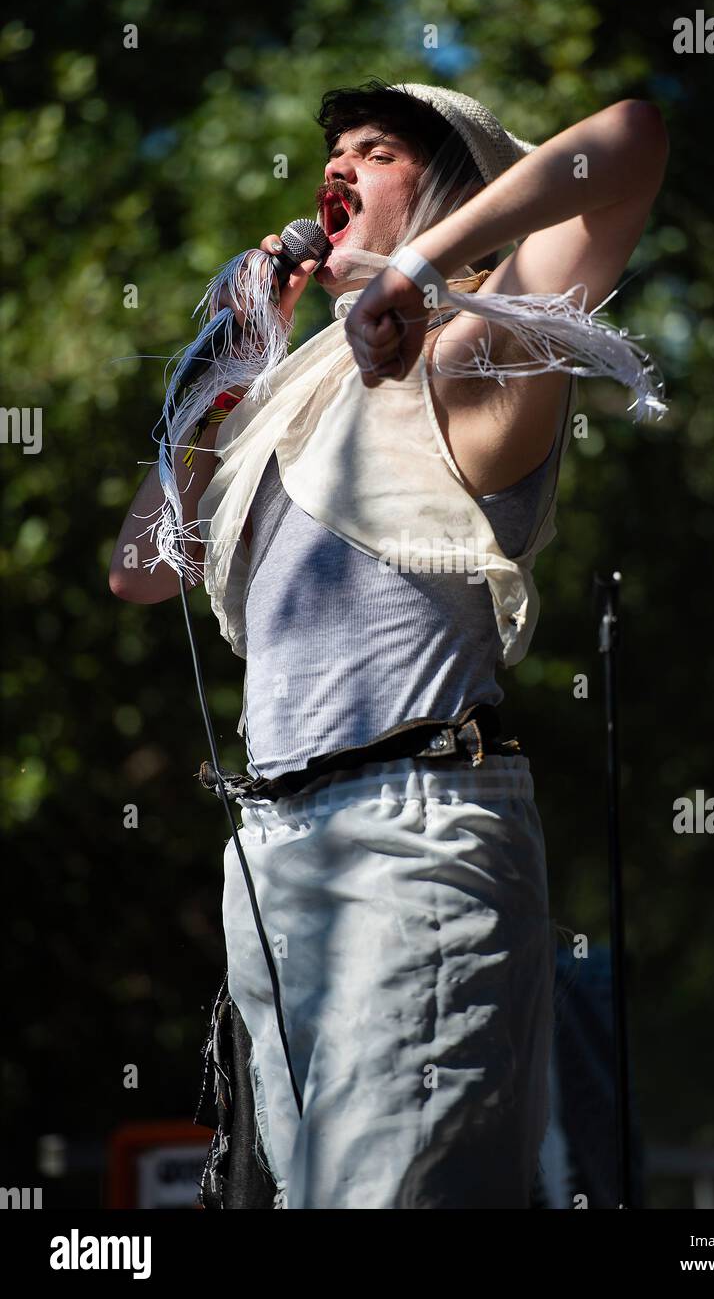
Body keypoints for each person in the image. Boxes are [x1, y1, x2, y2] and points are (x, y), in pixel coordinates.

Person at [109, 79, 668, 1209]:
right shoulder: (287, 396)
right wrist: (223, 369)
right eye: (336, 152)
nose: (343, 168)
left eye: (382, 151)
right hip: (277, 866)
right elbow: (141, 571)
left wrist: (415, 270)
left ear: (459, 187)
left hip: (407, 841)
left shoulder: (475, 344)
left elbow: (632, 141)